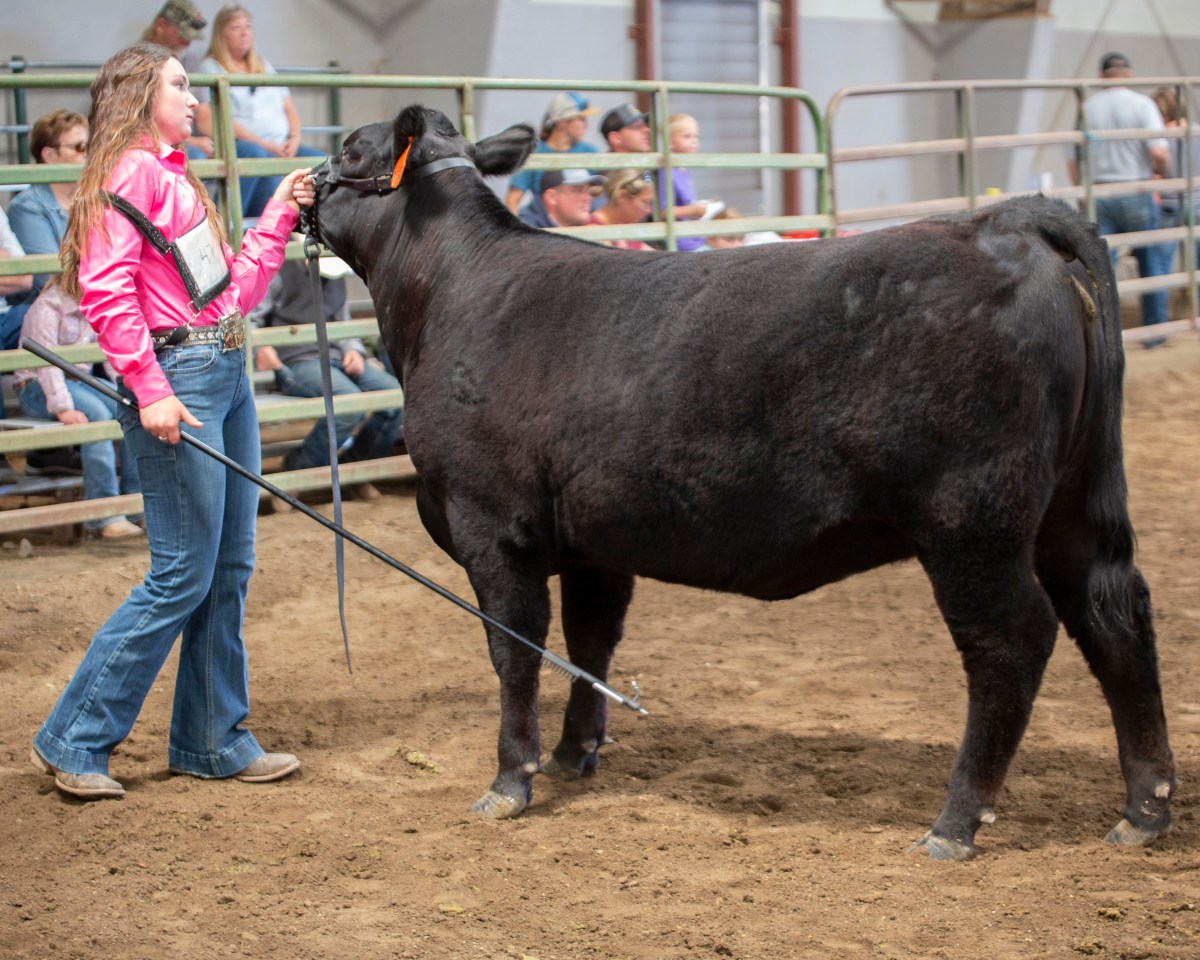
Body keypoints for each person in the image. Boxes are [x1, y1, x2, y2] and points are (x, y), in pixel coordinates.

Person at [29, 41, 315, 800]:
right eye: (180, 86)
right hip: (181, 381)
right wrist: (150, 388)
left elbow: (231, 295)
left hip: (221, 369)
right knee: (183, 570)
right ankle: (74, 736)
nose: (192, 99)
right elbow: (104, 288)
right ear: (139, 96)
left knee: (225, 567)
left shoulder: (173, 182)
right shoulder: (130, 175)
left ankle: (212, 739)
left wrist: (279, 214)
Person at [252, 255, 404, 499]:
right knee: (348, 404)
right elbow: (252, 317)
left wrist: (353, 349)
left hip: (334, 354)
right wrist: (261, 347)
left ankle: (356, 469)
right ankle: (296, 472)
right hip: (297, 358)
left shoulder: (336, 274)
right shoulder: (278, 271)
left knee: (394, 395)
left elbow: (342, 319)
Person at [13, 281, 144, 538]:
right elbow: (46, 364)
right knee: (97, 414)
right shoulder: (47, 307)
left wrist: (133, 388)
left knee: (131, 408)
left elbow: (110, 354)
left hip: (76, 382)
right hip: (36, 386)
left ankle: (137, 505)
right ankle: (103, 513)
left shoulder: (95, 303)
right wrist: (63, 408)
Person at [1067, 52, 1171, 345]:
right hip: (1137, 191)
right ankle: (1155, 334)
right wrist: (1159, 173)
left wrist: (1081, 191)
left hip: (1099, 193)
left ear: (1101, 77)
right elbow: (1159, 153)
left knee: (1098, 269)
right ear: (1129, 74)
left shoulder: (1087, 107)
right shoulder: (1143, 105)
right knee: (1152, 264)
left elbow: (1073, 158)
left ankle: (1102, 339)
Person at [195, 3, 324, 218]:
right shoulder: (211, 67)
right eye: (236, 27)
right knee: (259, 158)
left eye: (248, 26)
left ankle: (318, 229)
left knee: (322, 164)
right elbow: (213, 116)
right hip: (251, 144)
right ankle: (236, 226)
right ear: (221, 34)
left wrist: (294, 137)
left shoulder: (262, 64)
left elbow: (288, 105)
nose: (245, 33)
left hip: (282, 145)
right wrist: (264, 144)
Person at [8, 110, 88, 302]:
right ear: (49, 155)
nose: (88, 153)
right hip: (57, 316)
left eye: (89, 145)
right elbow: (49, 279)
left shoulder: (94, 198)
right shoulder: (26, 207)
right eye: (79, 147)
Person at [141, 0, 215, 162]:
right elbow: (139, 123)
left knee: (250, 152)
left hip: (190, 134)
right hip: (156, 140)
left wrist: (224, 142)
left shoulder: (190, 58)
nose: (188, 41)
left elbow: (203, 110)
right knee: (193, 156)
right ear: (161, 26)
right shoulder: (137, 60)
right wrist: (194, 142)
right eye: (182, 34)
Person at [504, 91, 599, 216]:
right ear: (563, 122)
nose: (587, 125)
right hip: (544, 224)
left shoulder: (590, 152)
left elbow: (602, 195)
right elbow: (512, 201)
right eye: (581, 119)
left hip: (578, 223)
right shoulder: (534, 153)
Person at [1151, 85, 1200, 277]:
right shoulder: (1197, 130)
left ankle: (1159, 305)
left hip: (1168, 203)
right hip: (1197, 203)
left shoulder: (1159, 136)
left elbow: (1155, 170)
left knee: (1161, 263)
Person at [658, 113, 723, 252]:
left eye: (696, 136)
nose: (694, 141)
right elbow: (663, 212)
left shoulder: (683, 169)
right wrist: (692, 210)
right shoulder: (665, 171)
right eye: (687, 136)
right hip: (679, 241)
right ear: (669, 141)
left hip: (693, 236)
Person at [588, 169, 655, 250]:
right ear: (622, 196)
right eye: (645, 202)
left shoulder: (627, 227)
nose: (649, 210)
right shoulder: (593, 230)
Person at [518, 168, 603, 229]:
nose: (588, 198)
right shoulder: (526, 229)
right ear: (552, 197)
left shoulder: (594, 216)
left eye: (588, 190)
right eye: (579, 190)